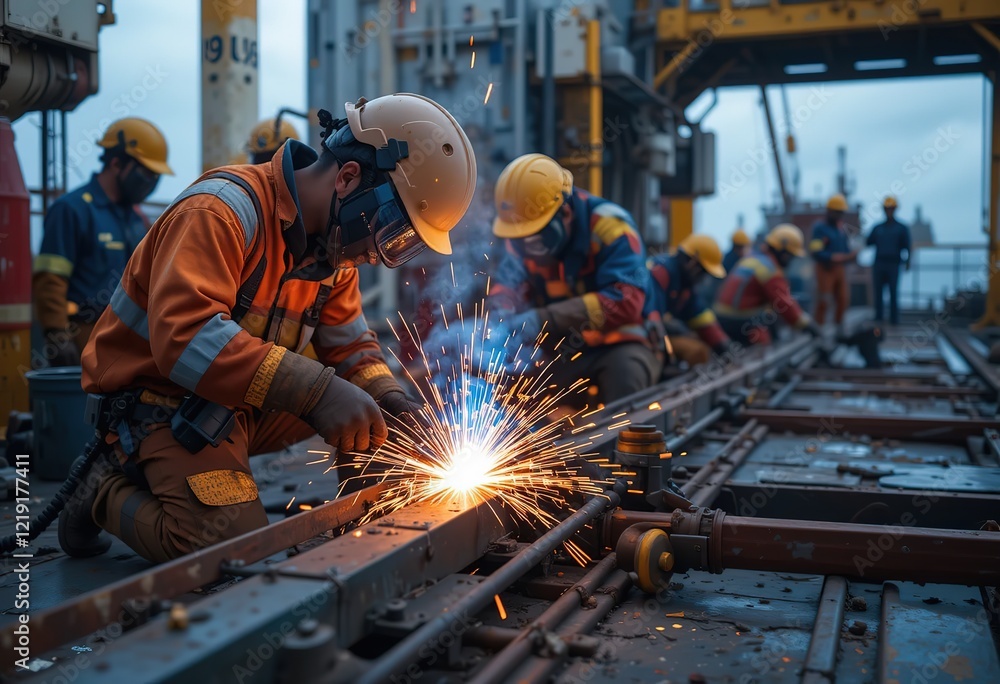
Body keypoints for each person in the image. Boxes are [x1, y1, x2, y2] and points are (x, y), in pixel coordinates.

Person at [62, 94, 478, 562]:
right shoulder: (220, 212)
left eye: (400, 246)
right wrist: (318, 393)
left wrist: (396, 402)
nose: (378, 255)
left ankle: (369, 527)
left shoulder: (332, 255)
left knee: (374, 420)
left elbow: (352, 347)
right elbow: (185, 338)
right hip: (157, 401)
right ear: (347, 178)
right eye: (389, 230)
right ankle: (101, 491)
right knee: (227, 550)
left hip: (234, 400)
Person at [487, 153, 657, 404]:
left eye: (534, 236)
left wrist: (542, 319)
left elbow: (626, 301)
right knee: (513, 387)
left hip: (618, 345)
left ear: (564, 212)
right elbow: (507, 285)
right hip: (562, 350)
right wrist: (499, 316)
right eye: (519, 237)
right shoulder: (521, 236)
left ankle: (623, 440)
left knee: (624, 373)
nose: (526, 245)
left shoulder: (610, 226)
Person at [33, 118, 173, 365]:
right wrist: (56, 333)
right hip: (83, 336)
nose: (150, 184)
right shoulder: (72, 210)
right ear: (117, 163)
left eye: (155, 177)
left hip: (127, 340)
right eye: (145, 174)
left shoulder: (135, 219)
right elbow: (50, 278)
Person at [715, 224, 821, 345]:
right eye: (790, 256)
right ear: (783, 252)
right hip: (739, 319)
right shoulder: (770, 270)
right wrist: (808, 325)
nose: (790, 261)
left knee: (769, 313)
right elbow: (785, 304)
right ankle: (764, 349)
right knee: (769, 319)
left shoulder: (751, 259)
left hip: (721, 317)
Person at [645, 235, 731, 367]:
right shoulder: (660, 272)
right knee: (696, 351)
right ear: (692, 263)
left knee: (700, 349)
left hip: (655, 334)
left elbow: (700, 316)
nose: (703, 278)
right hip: (641, 336)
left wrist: (722, 345)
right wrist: (671, 327)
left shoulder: (684, 284)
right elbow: (651, 318)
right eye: (703, 272)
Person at [810, 193, 857, 328]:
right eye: (837, 212)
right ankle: (818, 327)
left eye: (841, 213)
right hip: (825, 268)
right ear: (829, 211)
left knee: (843, 298)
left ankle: (838, 326)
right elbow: (815, 251)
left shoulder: (840, 229)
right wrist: (830, 257)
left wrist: (851, 256)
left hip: (840, 269)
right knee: (824, 300)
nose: (839, 216)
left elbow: (846, 249)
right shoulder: (820, 228)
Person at [867, 196, 911, 325]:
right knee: (878, 291)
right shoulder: (877, 228)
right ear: (884, 210)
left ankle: (894, 319)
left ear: (895, 209)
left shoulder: (902, 228)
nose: (889, 211)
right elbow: (868, 242)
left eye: (891, 209)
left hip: (894, 264)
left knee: (893, 291)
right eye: (887, 209)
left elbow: (907, 246)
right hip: (879, 263)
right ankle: (879, 317)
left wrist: (908, 261)